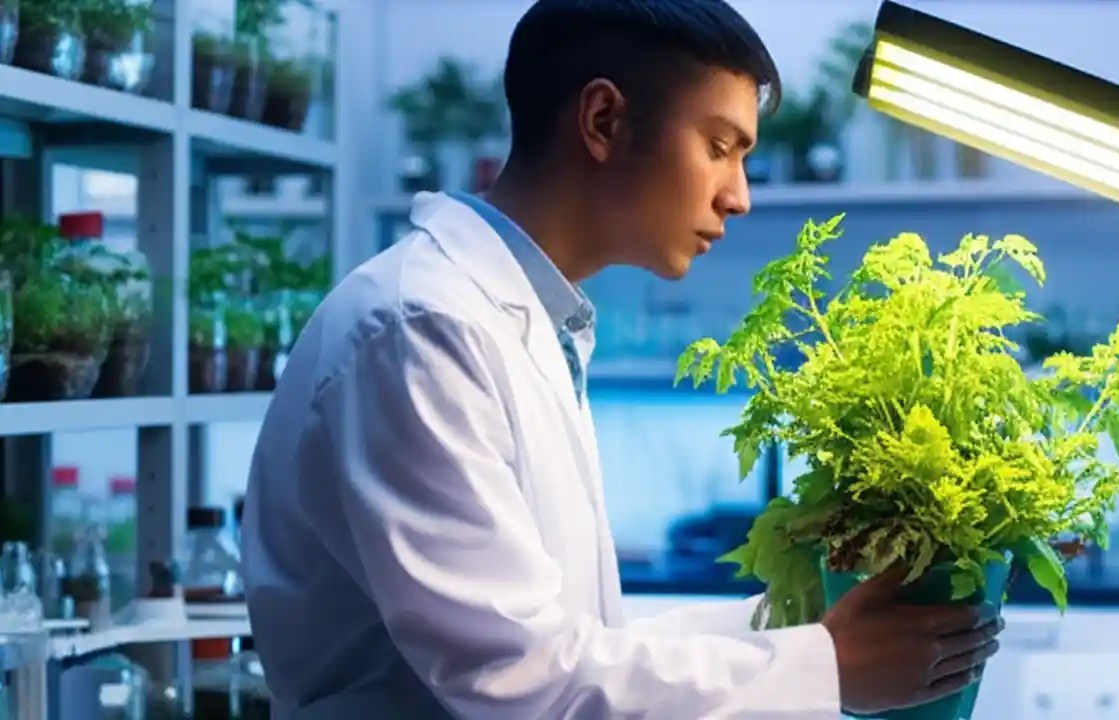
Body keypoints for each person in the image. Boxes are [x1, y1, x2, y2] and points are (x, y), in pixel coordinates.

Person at [239, 1, 1004, 718]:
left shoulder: (525, 320)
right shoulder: (420, 330)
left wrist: (814, 614)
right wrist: (826, 665)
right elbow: (526, 685)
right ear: (603, 120)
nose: (738, 196)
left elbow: (587, 649)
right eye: (718, 147)